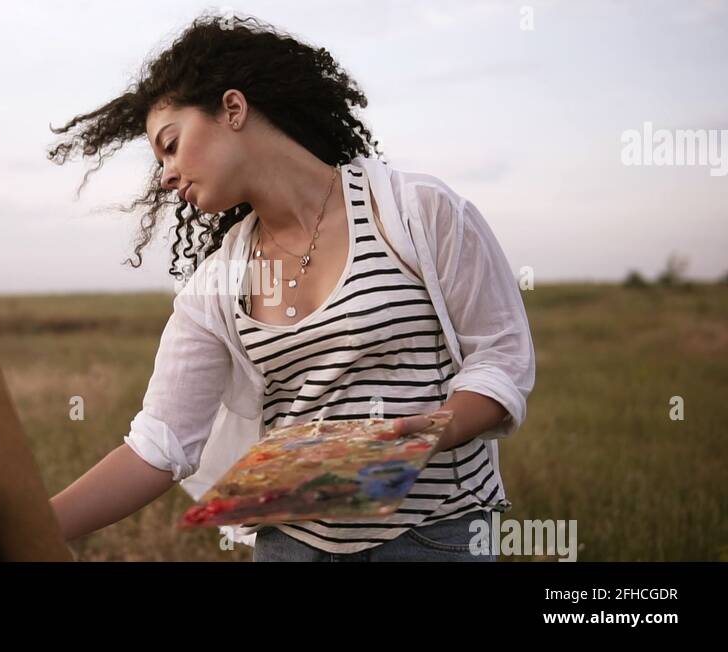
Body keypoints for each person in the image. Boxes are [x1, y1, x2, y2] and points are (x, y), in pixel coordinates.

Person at [46, 11, 535, 561]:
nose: (164, 175)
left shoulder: (417, 213)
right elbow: (159, 444)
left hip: (436, 538)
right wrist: (28, 530)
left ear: (232, 109)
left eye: (171, 144)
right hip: (291, 546)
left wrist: (431, 432)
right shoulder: (217, 286)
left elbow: (501, 358)